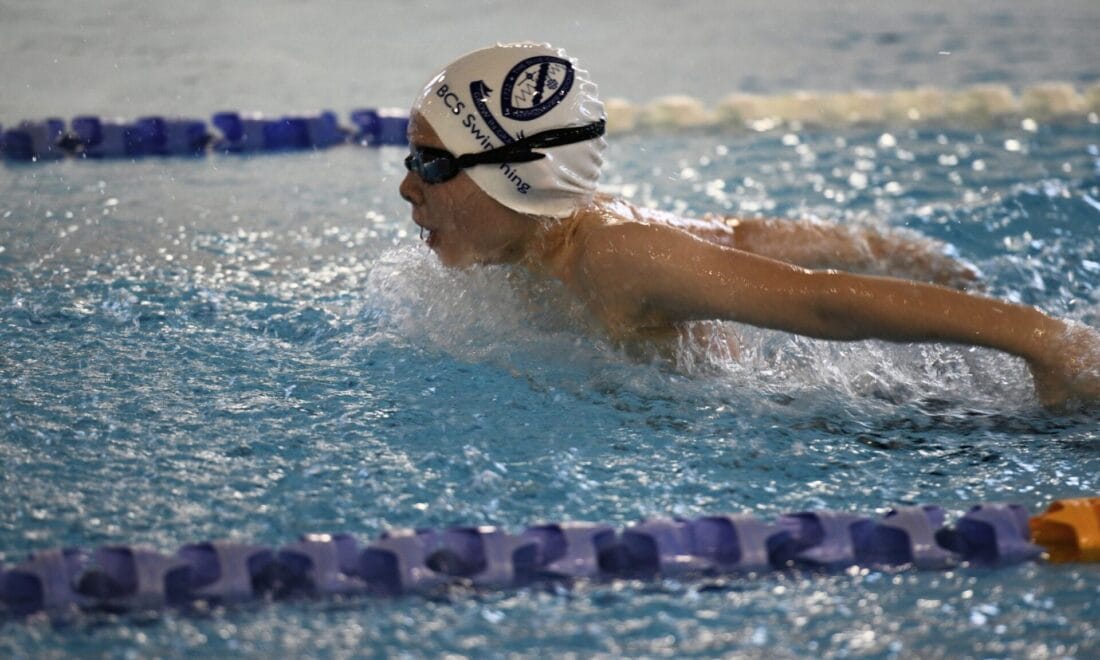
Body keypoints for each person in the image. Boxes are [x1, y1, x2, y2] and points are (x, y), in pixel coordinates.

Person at [398, 42, 1100, 410]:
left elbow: (816, 301)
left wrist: (1047, 341)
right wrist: (889, 248)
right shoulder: (541, 244)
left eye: (432, 165)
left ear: (514, 175)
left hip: (864, 420)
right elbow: (729, 237)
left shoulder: (611, 256)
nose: (407, 187)